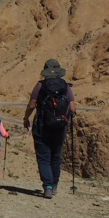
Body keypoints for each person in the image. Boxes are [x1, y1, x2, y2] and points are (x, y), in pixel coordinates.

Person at [23, 59, 76, 198]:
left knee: (43, 157)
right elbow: (73, 107)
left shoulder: (40, 85)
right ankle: (55, 185)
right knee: (56, 156)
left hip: (42, 125)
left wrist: (26, 118)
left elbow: (31, 105)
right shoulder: (65, 86)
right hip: (60, 127)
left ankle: (48, 186)